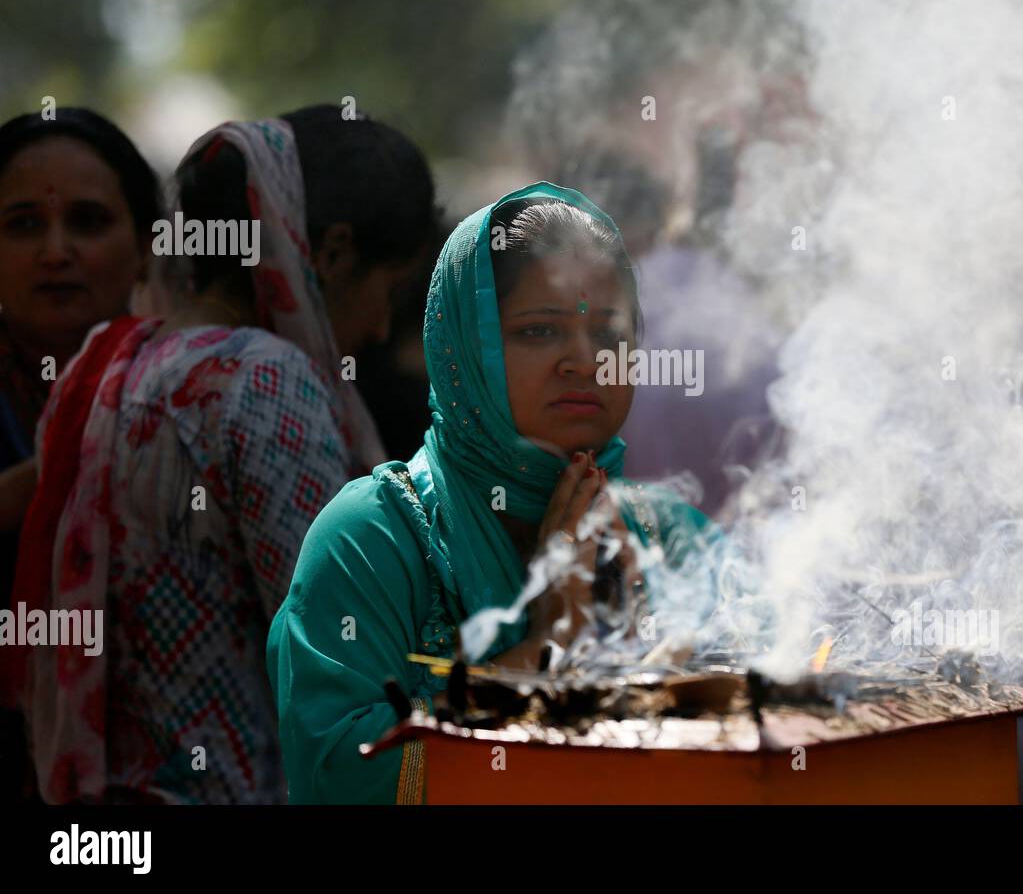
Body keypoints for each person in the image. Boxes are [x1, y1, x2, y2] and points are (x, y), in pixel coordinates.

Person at [8, 107, 436, 803]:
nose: (383, 327)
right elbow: (339, 655)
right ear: (329, 253)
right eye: (386, 292)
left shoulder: (112, 365)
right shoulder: (265, 379)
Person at [268, 182, 722, 803]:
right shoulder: (372, 538)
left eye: (612, 333)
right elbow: (342, 777)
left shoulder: (671, 533)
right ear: (464, 348)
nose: (585, 361)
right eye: (540, 332)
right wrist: (546, 649)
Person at [0, 108, 161, 803]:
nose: (55, 251)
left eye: (89, 222)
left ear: (148, 247)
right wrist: (67, 459)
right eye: (23, 225)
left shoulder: (194, 399)